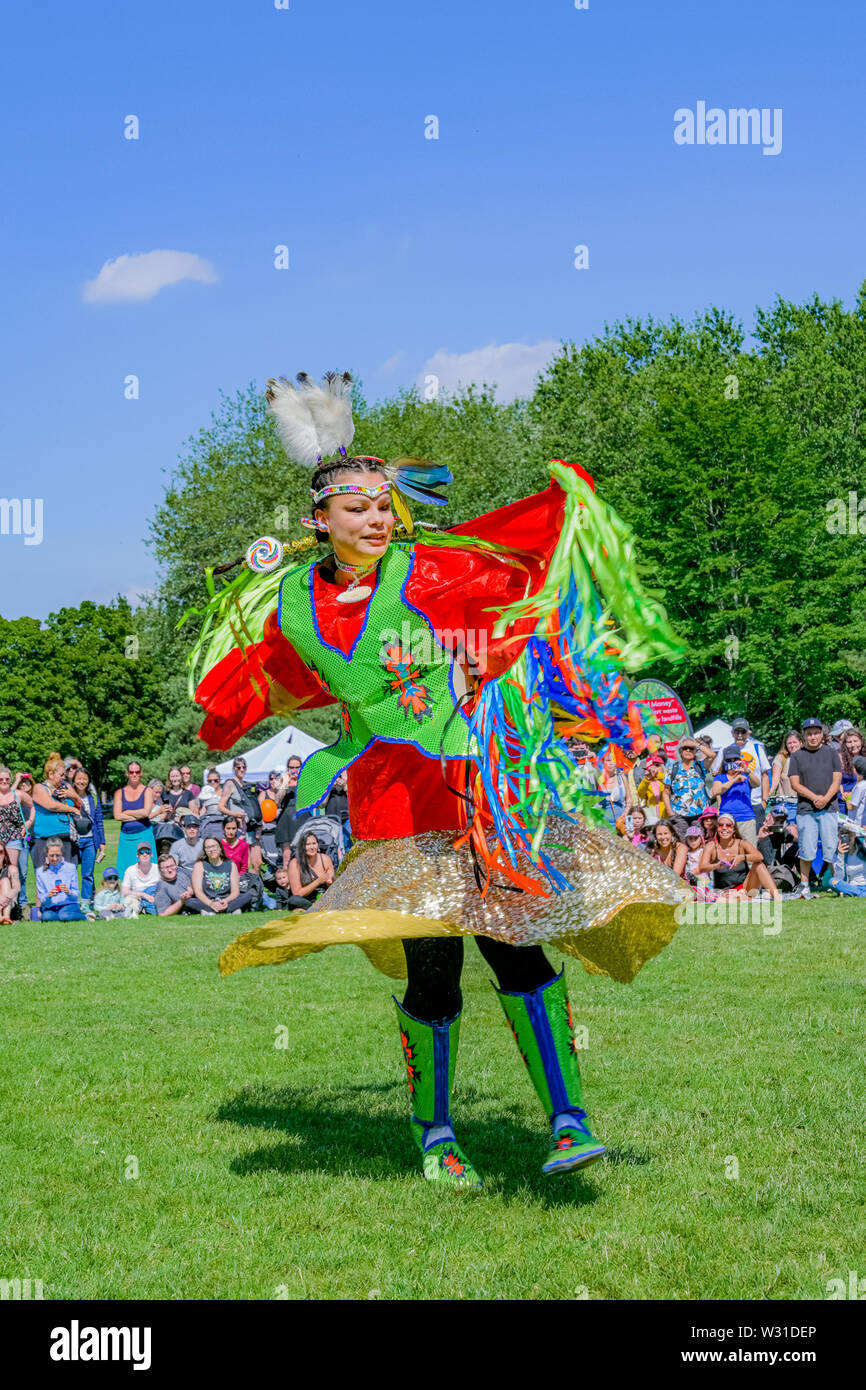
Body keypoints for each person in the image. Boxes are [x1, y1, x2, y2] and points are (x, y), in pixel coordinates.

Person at [190, 373, 687, 1188]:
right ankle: (435, 1135)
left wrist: (560, 507)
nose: (377, 519)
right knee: (433, 972)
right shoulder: (290, 603)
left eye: (386, 507)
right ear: (321, 519)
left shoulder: (430, 572)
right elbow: (258, 675)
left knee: (515, 951)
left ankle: (569, 1123)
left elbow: (517, 572)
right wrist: (223, 706)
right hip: (391, 809)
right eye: (359, 509)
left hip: (469, 796)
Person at [787, 717, 843, 899]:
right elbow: (795, 783)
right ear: (804, 736)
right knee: (807, 848)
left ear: (822, 734)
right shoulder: (796, 756)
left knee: (831, 847)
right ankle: (804, 886)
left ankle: (838, 883)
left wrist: (825, 798)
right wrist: (815, 798)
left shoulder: (832, 753)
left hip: (830, 808)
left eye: (816, 733)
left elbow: (837, 780)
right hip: (806, 810)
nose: (813, 737)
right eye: (809, 733)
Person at [698, 815, 780, 900]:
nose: (724, 828)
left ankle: (777, 897)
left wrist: (742, 857)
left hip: (745, 888)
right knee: (728, 898)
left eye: (728, 825)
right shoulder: (711, 846)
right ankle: (741, 898)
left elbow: (759, 856)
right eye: (721, 825)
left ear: (733, 829)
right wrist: (717, 865)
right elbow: (702, 867)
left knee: (759, 865)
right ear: (717, 828)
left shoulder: (741, 844)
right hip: (724, 891)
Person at [32, 754, 82, 869]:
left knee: (68, 876)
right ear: (51, 774)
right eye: (61, 775)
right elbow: (51, 805)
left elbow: (80, 805)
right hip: (46, 841)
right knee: (45, 878)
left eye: (65, 774)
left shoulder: (66, 786)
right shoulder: (39, 788)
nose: (64, 777)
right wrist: (72, 809)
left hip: (66, 839)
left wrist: (72, 795)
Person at [113, 762, 157, 880]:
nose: (134, 774)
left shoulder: (147, 791)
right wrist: (139, 814)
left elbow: (146, 813)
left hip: (144, 834)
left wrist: (126, 811)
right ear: (127, 773)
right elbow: (117, 815)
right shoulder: (119, 793)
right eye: (131, 772)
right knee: (124, 872)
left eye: (137, 772)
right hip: (125, 837)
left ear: (141, 773)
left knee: (147, 871)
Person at [70, 766, 105, 912]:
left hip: (90, 840)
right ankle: (71, 901)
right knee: (70, 872)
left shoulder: (93, 798)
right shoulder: (68, 797)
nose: (81, 781)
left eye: (84, 779)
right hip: (73, 840)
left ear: (88, 781)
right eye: (79, 779)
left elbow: (99, 820)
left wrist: (102, 843)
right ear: (74, 780)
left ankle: (85, 903)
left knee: (87, 874)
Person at [190, 837, 252, 914]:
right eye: (208, 847)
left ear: (220, 848)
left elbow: (235, 891)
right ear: (205, 851)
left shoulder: (231, 864)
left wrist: (226, 901)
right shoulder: (199, 865)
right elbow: (198, 892)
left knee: (247, 895)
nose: (212, 850)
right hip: (207, 900)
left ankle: (211, 911)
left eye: (214, 846)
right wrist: (210, 903)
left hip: (226, 900)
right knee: (188, 901)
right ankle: (229, 910)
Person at [712, 745, 760, 845]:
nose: (732, 763)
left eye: (735, 759)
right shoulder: (720, 777)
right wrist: (734, 780)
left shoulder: (746, 776)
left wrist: (747, 771)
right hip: (727, 820)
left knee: (750, 851)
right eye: (729, 760)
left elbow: (757, 783)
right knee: (727, 851)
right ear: (724, 762)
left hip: (746, 819)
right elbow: (716, 791)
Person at [35, 838, 86, 921]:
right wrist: (49, 896)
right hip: (51, 906)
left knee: (65, 916)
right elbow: (43, 899)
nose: (55, 859)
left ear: (62, 854)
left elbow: (76, 894)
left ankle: (87, 917)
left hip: (69, 904)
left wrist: (68, 892)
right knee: (47, 917)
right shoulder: (40, 872)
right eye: (51, 855)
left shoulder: (70, 868)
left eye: (57, 855)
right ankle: (59, 916)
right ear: (46, 854)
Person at [663, 736, 710, 823]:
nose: (688, 750)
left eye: (691, 748)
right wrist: (670, 813)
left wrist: (696, 744)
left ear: (695, 751)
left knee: (699, 837)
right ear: (680, 751)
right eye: (685, 748)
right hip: (679, 816)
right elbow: (666, 793)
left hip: (700, 815)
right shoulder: (672, 769)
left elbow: (712, 755)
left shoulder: (700, 766)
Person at [274, 757, 310, 869]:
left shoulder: (305, 780)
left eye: (297, 767)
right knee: (287, 854)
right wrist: (285, 783)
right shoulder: (282, 781)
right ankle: (287, 881)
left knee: (304, 851)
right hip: (286, 819)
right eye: (291, 767)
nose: (294, 770)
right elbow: (276, 801)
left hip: (302, 817)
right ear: (287, 768)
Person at [0, 766, 27, 905]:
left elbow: (32, 805)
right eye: (1, 779)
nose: (4, 781)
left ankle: (12, 907)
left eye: (7, 779)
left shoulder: (16, 794)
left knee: (13, 871)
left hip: (13, 837)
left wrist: (28, 822)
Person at [12, 772, 35, 918]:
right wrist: (17, 780)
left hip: (38, 838)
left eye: (27, 782)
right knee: (22, 872)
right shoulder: (16, 799)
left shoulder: (36, 798)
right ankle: (21, 904)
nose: (24, 785)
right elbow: (10, 793)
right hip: (23, 839)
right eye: (22, 783)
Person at [288, 830, 335, 903]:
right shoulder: (295, 863)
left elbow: (333, 887)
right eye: (308, 844)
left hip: (323, 897)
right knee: (294, 900)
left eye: (314, 843)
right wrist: (318, 881)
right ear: (302, 847)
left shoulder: (325, 859)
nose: (312, 847)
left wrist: (329, 882)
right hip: (305, 900)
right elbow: (297, 893)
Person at [769, 730, 803, 826]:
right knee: (788, 837)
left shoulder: (808, 758)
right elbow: (775, 780)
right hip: (786, 804)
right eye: (789, 743)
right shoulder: (781, 758)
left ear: (801, 743)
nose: (792, 745)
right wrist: (767, 796)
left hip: (804, 805)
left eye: (795, 742)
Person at [121, 843, 161, 917]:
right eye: (141, 852)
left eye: (147, 852)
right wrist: (143, 895)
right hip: (137, 897)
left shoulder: (157, 868)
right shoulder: (130, 870)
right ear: (137, 855)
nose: (145, 854)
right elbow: (125, 891)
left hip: (154, 896)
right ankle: (136, 911)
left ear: (151, 854)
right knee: (129, 901)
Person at [828, 818, 866, 897]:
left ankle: (854, 893)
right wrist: (840, 856)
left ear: (854, 835)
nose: (846, 837)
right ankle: (860, 893)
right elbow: (839, 878)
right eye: (842, 833)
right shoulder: (836, 854)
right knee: (832, 881)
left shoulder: (863, 847)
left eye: (848, 833)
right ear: (838, 836)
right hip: (852, 886)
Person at [636, 753, 668, 827]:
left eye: (657, 765)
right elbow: (640, 793)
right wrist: (646, 779)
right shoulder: (647, 781)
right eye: (652, 765)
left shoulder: (666, 778)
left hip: (665, 815)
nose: (654, 768)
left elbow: (669, 783)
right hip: (652, 815)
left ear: (663, 767)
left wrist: (657, 775)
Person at [838, 728, 864, 812]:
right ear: (845, 744)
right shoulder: (840, 758)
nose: (853, 745)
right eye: (849, 742)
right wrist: (841, 792)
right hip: (842, 803)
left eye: (855, 741)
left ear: (861, 741)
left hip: (862, 804)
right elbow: (835, 780)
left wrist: (852, 794)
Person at [174, 817, 204, 888]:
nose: (192, 829)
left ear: (198, 828)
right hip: (184, 874)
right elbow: (174, 865)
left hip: (201, 873)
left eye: (194, 827)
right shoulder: (176, 845)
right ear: (184, 828)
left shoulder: (204, 843)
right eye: (189, 827)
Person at [196, 767, 225, 840]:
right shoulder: (203, 795)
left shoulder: (225, 794)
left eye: (215, 780)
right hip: (207, 827)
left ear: (220, 780)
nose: (213, 782)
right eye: (210, 781)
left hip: (222, 826)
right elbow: (197, 810)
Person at [0, 843, 16, 922]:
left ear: (5, 854)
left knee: (5, 881)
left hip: (8, 903)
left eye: (1, 852)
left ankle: (6, 917)